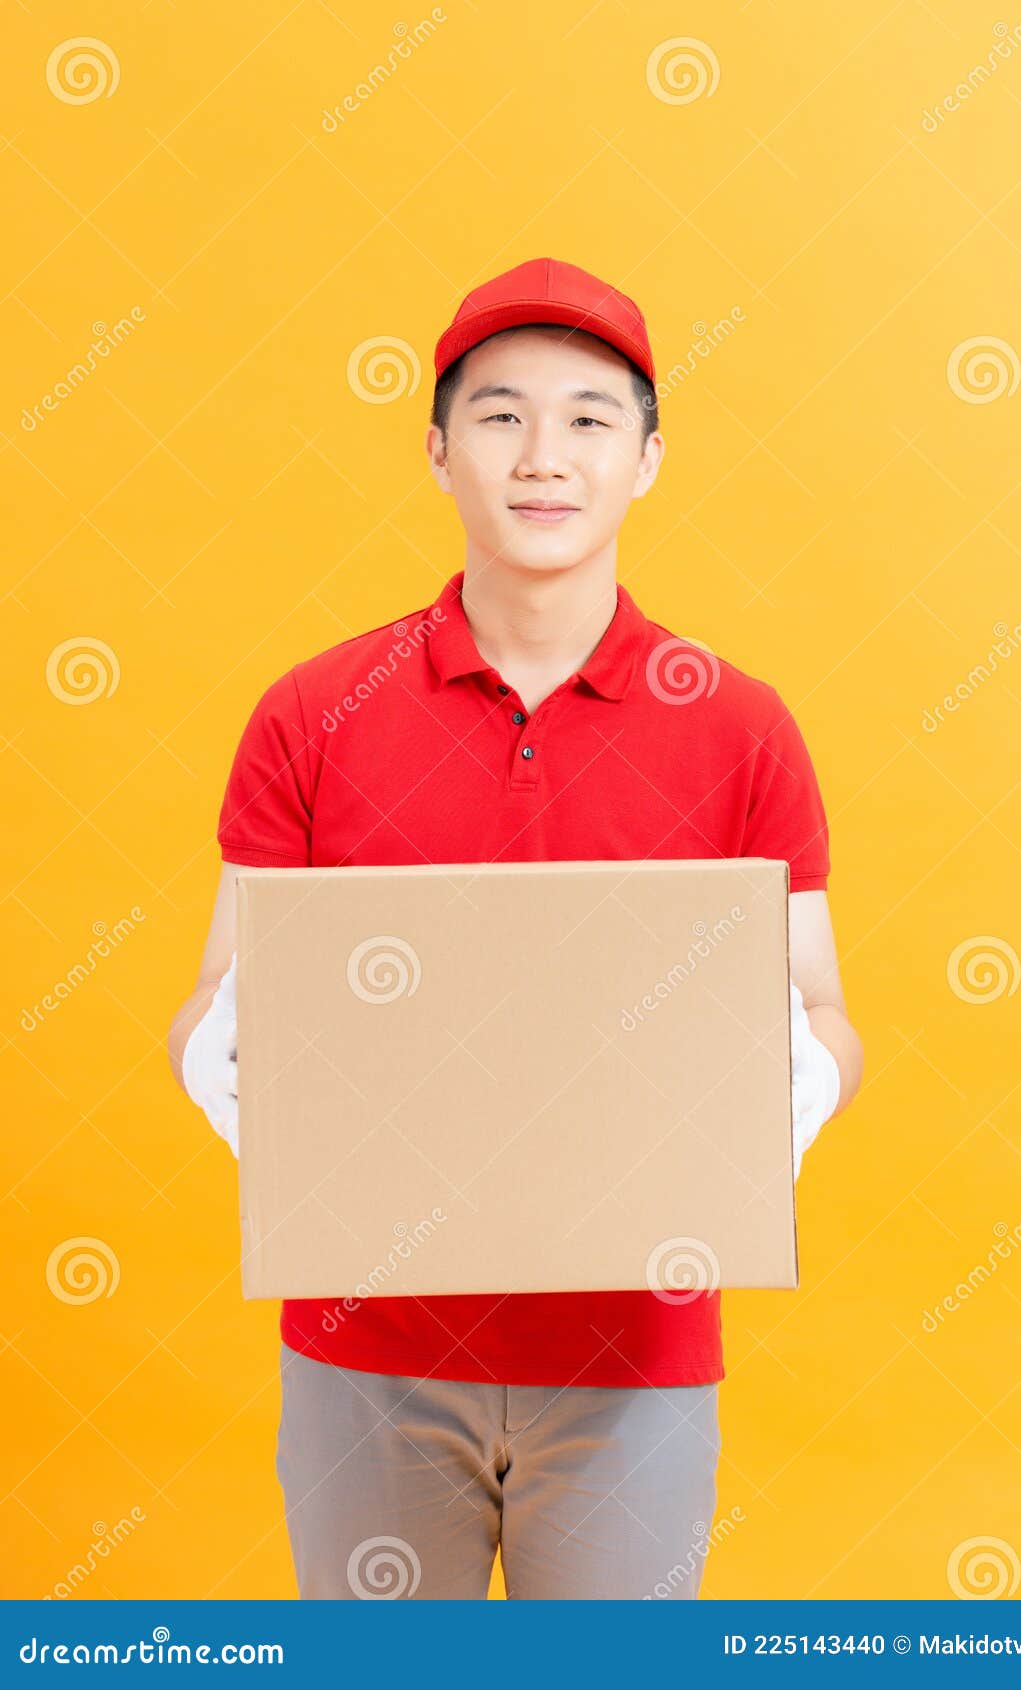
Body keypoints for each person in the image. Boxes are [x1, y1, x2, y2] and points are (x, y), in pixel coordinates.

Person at [168, 256, 863, 1601]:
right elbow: (221, 991)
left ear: (649, 458)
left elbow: (821, 1004)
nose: (544, 455)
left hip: (634, 1355)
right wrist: (220, 1055)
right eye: (499, 416)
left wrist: (800, 1083)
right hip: (365, 1346)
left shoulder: (738, 725)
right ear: (437, 451)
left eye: (592, 419)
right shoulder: (312, 713)